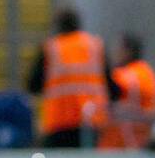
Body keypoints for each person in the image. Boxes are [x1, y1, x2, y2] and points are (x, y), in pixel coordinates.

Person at [27, 9, 118, 147]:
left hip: (59, 121)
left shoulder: (50, 48)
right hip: (91, 121)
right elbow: (111, 86)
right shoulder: (95, 46)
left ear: (58, 27)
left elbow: (33, 85)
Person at [98, 33, 155, 149]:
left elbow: (112, 90)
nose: (116, 53)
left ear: (128, 51)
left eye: (119, 49)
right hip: (142, 137)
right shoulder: (147, 72)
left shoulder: (127, 75)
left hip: (123, 141)